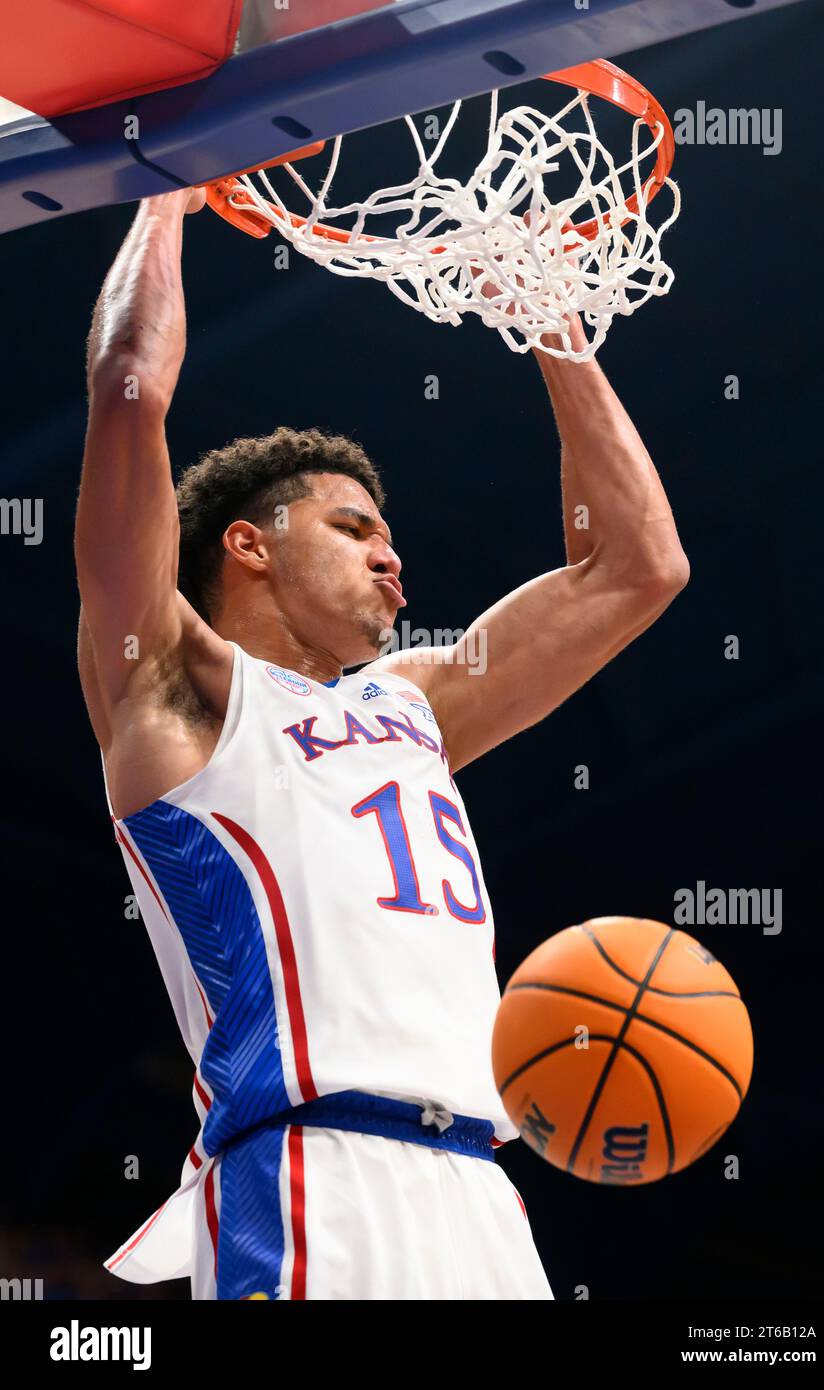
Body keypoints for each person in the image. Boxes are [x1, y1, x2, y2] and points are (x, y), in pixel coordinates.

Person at [76, 186, 689, 1300]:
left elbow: (636, 569)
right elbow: (127, 395)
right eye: (353, 528)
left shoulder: (414, 704)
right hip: (312, 1174)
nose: (390, 559)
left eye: (390, 536)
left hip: (483, 1194)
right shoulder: (174, 689)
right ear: (250, 545)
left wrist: (550, 320)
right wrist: (162, 192)